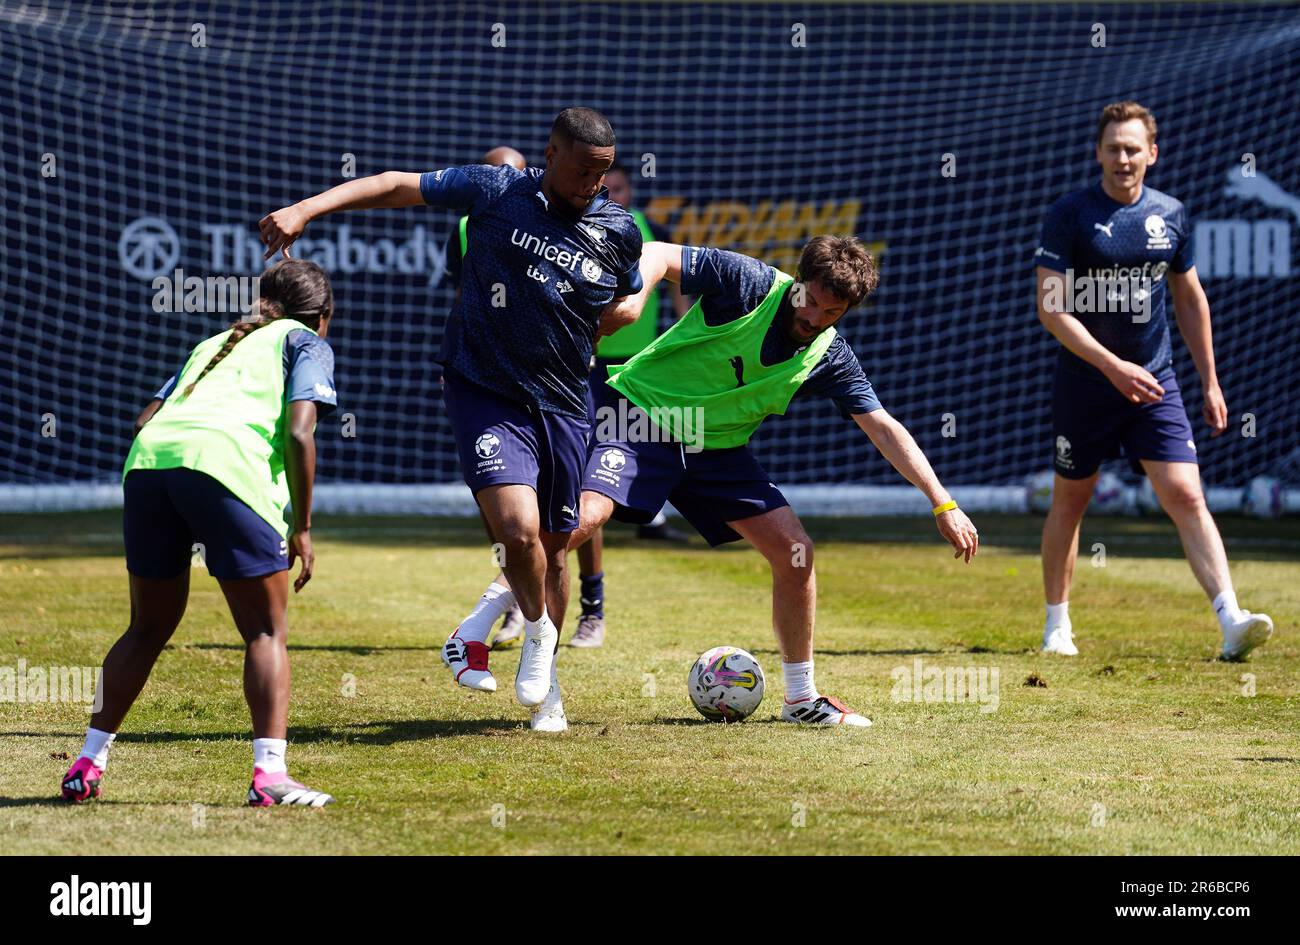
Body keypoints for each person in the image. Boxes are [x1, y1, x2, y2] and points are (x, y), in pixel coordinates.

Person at [259, 108, 644, 731]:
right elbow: (391, 184)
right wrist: (307, 209)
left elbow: (629, 292)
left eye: (601, 174)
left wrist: (609, 317)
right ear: (549, 154)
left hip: (567, 402)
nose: (591, 185)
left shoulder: (618, 229)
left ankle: (544, 689)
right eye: (580, 171)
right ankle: (541, 636)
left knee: (551, 547)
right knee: (518, 534)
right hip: (484, 390)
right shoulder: (496, 190)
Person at [563, 237, 979, 727]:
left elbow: (883, 428)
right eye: (811, 300)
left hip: (715, 448)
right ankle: (486, 616)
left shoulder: (829, 354)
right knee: (586, 516)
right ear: (798, 282)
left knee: (795, 551)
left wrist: (942, 503)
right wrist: (633, 302)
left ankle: (801, 699)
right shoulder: (749, 282)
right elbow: (655, 252)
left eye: (832, 311)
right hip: (642, 413)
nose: (815, 316)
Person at [60, 259, 339, 806]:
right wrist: (302, 527)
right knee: (264, 632)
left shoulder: (217, 342)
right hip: (222, 467)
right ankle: (270, 778)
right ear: (322, 316)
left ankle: (87, 763)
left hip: (147, 466)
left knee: (146, 628)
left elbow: (145, 420)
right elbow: (300, 432)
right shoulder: (306, 341)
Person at [1034, 100, 1273, 660]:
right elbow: (1052, 309)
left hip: (1155, 383)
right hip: (1087, 384)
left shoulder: (1172, 214)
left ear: (1152, 154)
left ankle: (1231, 621)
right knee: (1072, 499)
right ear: (1098, 153)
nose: (1123, 158)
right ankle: (1056, 627)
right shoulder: (1069, 215)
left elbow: (1190, 298)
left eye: (1133, 148)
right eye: (1113, 148)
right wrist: (1112, 367)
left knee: (1186, 493)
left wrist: (1210, 381)